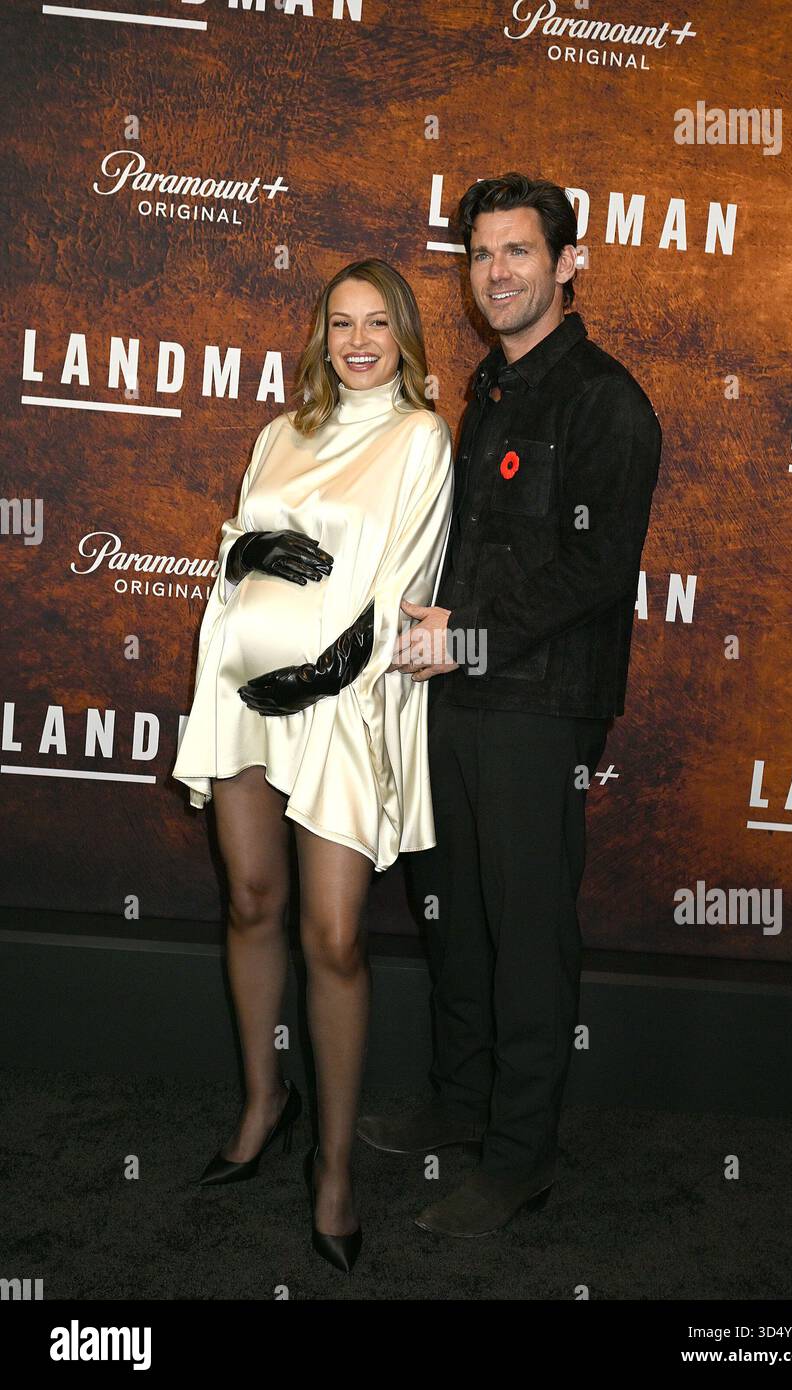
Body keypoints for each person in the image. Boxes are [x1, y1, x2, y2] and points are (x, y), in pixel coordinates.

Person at [357, 173, 662, 1237]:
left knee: (527, 936)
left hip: (535, 710)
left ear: (568, 263)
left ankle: (520, 1157)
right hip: (454, 699)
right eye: (481, 253)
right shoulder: (483, 389)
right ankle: (460, 1105)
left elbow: (592, 570)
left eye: (519, 251)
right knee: (457, 922)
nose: (496, 272)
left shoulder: (606, 403)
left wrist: (464, 638)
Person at [172, 258, 453, 1270]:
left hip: (340, 711)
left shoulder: (421, 437)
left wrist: (332, 668)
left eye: (379, 323)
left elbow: (409, 575)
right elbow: (236, 550)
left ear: (404, 334)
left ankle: (333, 1168)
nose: (360, 340)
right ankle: (263, 1102)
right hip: (243, 693)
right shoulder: (277, 432)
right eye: (342, 323)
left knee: (333, 936)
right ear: (320, 333)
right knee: (251, 901)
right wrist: (241, 558)